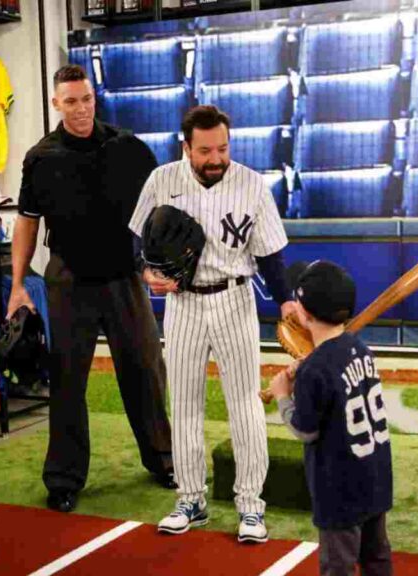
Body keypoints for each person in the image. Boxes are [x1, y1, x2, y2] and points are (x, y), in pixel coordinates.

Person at [8, 64, 175, 514]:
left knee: (145, 369)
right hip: (68, 279)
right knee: (66, 382)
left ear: (93, 98)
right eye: (70, 101)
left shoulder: (129, 149)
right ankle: (63, 478)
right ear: (55, 103)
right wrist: (18, 284)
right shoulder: (40, 158)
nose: (80, 109)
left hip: (125, 276)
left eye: (86, 99)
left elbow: (159, 213)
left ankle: (164, 460)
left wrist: (158, 265)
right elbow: (26, 222)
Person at [129, 105, 295, 544]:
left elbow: (272, 255)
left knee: (244, 403)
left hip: (234, 298)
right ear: (186, 147)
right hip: (183, 304)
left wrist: (286, 301)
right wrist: (146, 272)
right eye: (205, 151)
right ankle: (191, 499)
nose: (216, 158)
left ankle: (251, 505)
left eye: (222, 148)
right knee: (183, 404)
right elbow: (134, 239)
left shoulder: (251, 184)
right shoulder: (162, 179)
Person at [267, 260, 393, 576]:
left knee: (338, 568)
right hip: (375, 479)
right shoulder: (362, 350)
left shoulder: (315, 369)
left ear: (306, 314)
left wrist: (283, 394)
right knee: (377, 559)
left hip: (339, 490)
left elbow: (304, 429)